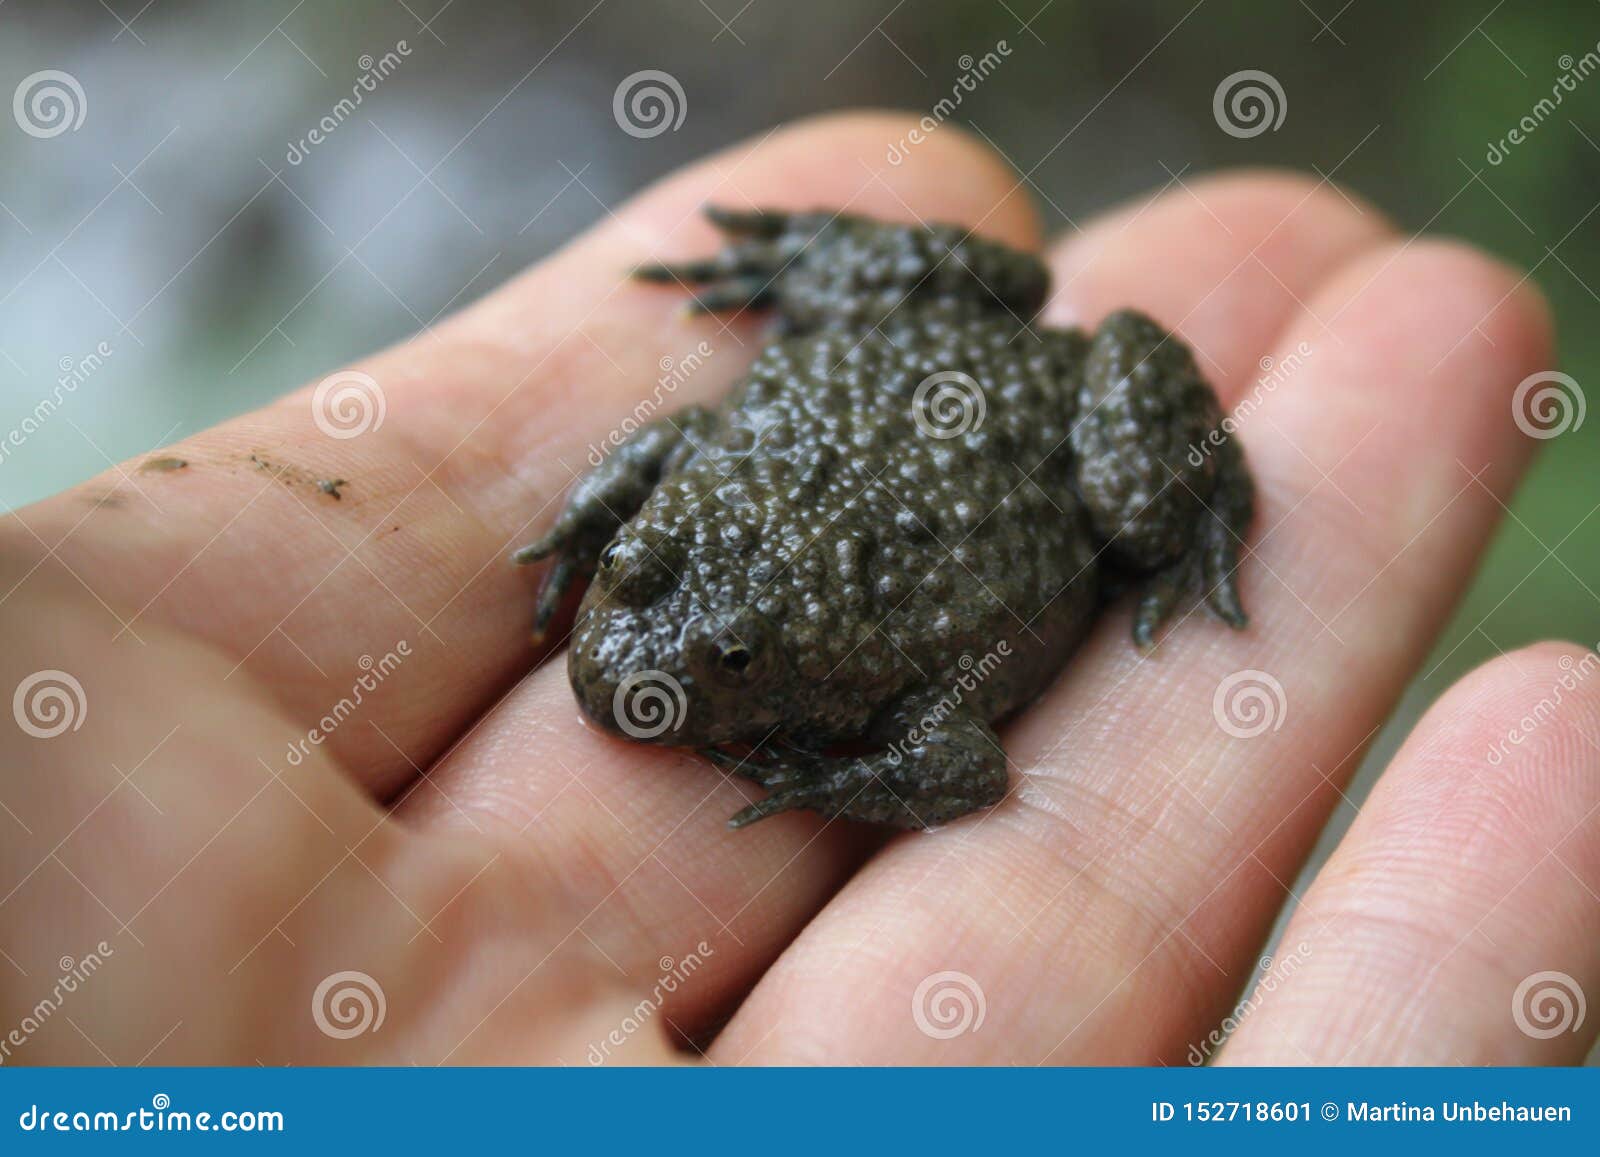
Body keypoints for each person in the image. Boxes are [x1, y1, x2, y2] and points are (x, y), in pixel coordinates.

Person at [1, 113, 1590, 1065]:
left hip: (1051, 431)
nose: (639, 654)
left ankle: (1193, 511)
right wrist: (593, 534)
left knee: (1137, 488)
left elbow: (966, 765)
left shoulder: (859, 665)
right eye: (635, 585)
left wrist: (834, 765)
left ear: (789, 669)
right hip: (869, 392)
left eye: (720, 664)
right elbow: (682, 440)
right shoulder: (692, 510)